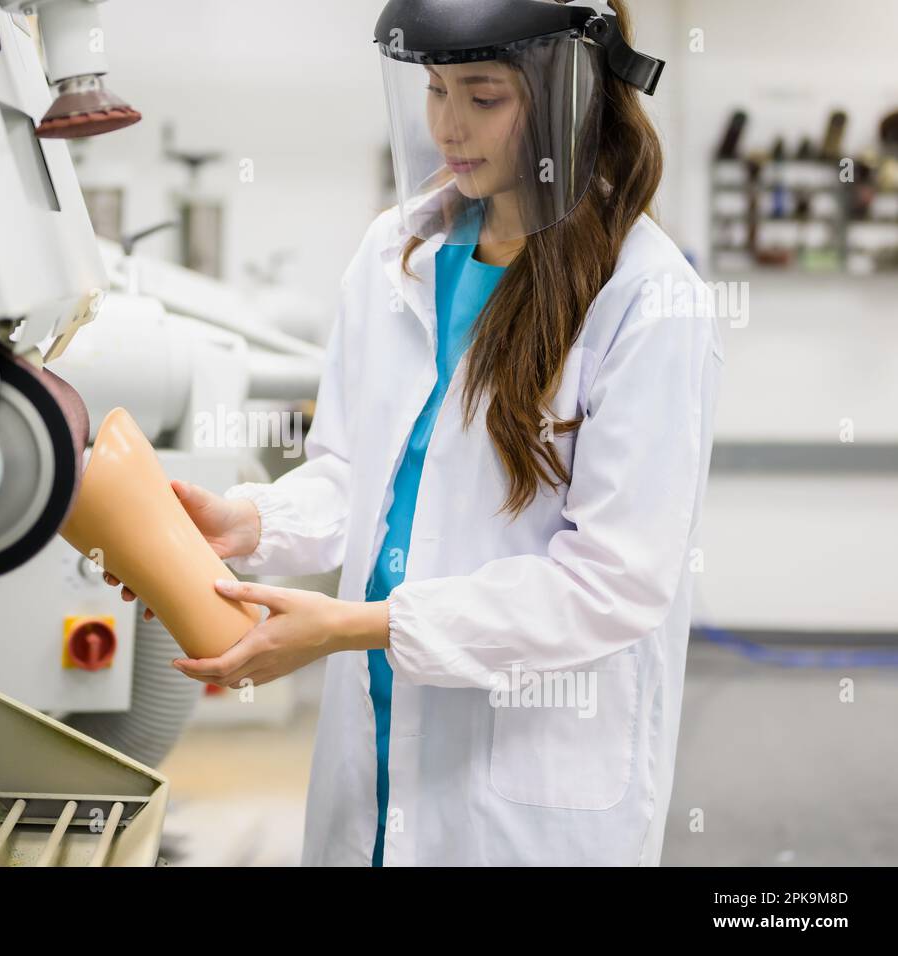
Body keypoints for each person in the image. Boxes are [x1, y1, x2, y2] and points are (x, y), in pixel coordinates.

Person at [106, 0, 724, 866]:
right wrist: (252, 523)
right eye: (435, 90)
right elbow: (358, 475)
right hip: (377, 737)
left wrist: (357, 626)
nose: (448, 127)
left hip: (525, 782)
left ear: (570, 94)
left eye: (484, 97)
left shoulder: (648, 300)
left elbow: (612, 584)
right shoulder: (396, 255)